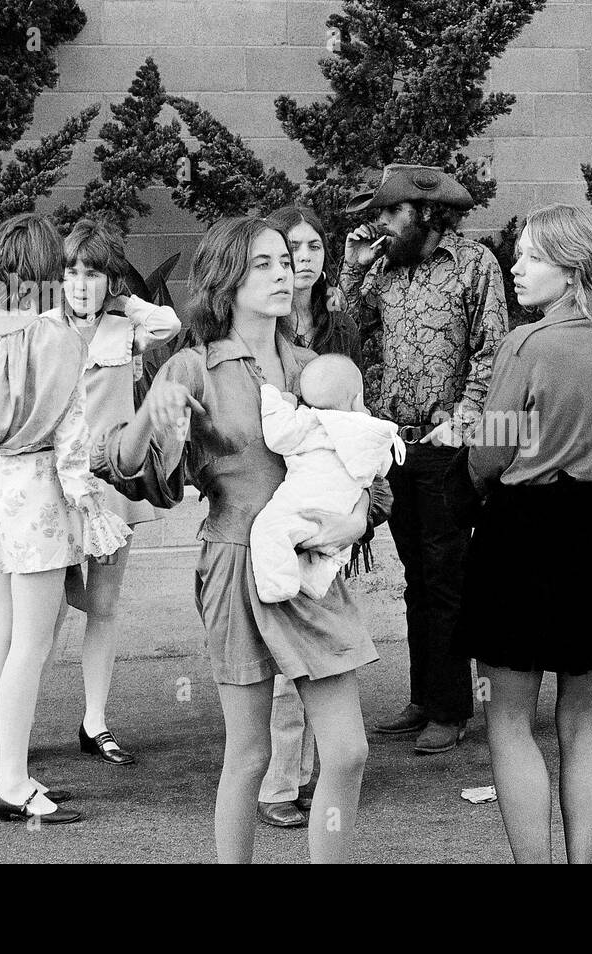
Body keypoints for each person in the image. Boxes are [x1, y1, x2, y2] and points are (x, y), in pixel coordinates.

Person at [92, 216, 390, 863]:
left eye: (286, 261)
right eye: (264, 264)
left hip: (312, 569)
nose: (283, 273)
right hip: (235, 567)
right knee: (249, 755)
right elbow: (123, 462)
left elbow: (364, 457)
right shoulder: (194, 367)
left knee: (348, 751)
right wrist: (153, 415)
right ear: (227, 278)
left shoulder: (317, 368)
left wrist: (362, 514)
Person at [453, 204, 592, 863]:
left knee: (510, 719)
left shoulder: (527, 345)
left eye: (532, 257)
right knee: (582, 719)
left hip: (524, 529)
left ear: (574, 266)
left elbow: (488, 454)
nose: (516, 267)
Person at [0, 212, 131, 824]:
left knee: (0, 636)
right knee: (33, 642)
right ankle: (15, 786)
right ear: (49, 269)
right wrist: (90, 508)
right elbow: (72, 443)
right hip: (38, 493)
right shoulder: (57, 340)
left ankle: (3, 768)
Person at [341, 164, 508, 754]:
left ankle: (451, 709)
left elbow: (491, 351)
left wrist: (461, 425)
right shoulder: (383, 268)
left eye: (390, 213)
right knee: (416, 577)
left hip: (443, 449)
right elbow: (350, 334)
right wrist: (354, 268)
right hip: (393, 444)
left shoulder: (474, 263)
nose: (380, 224)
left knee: (444, 578)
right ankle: (422, 696)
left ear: (426, 212)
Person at [58, 217, 182, 766]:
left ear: (111, 279)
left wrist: (125, 302)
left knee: (103, 607)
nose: (81, 284)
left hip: (111, 487)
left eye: (94, 273)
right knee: (44, 612)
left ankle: (96, 723)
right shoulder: (42, 327)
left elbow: (171, 325)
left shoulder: (126, 327)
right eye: (72, 272)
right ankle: (4, 715)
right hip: (54, 490)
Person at [256, 204, 361, 828]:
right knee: (279, 668)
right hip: (277, 508)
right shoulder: (252, 345)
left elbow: (358, 414)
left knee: (328, 655)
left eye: (315, 247)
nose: (304, 260)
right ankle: (278, 781)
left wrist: (361, 510)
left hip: (328, 506)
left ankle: (323, 778)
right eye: (289, 249)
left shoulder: (336, 326)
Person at [250, 355, 403, 603]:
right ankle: (315, 579)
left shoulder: (309, 422)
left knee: (267, 530)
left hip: (302, 507)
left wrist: (276, 400)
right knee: (330, 553)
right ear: (357, 399)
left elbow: (277, 436)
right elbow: (381, 469)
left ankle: (276, 585)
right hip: (343, 511)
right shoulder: (372, 431)